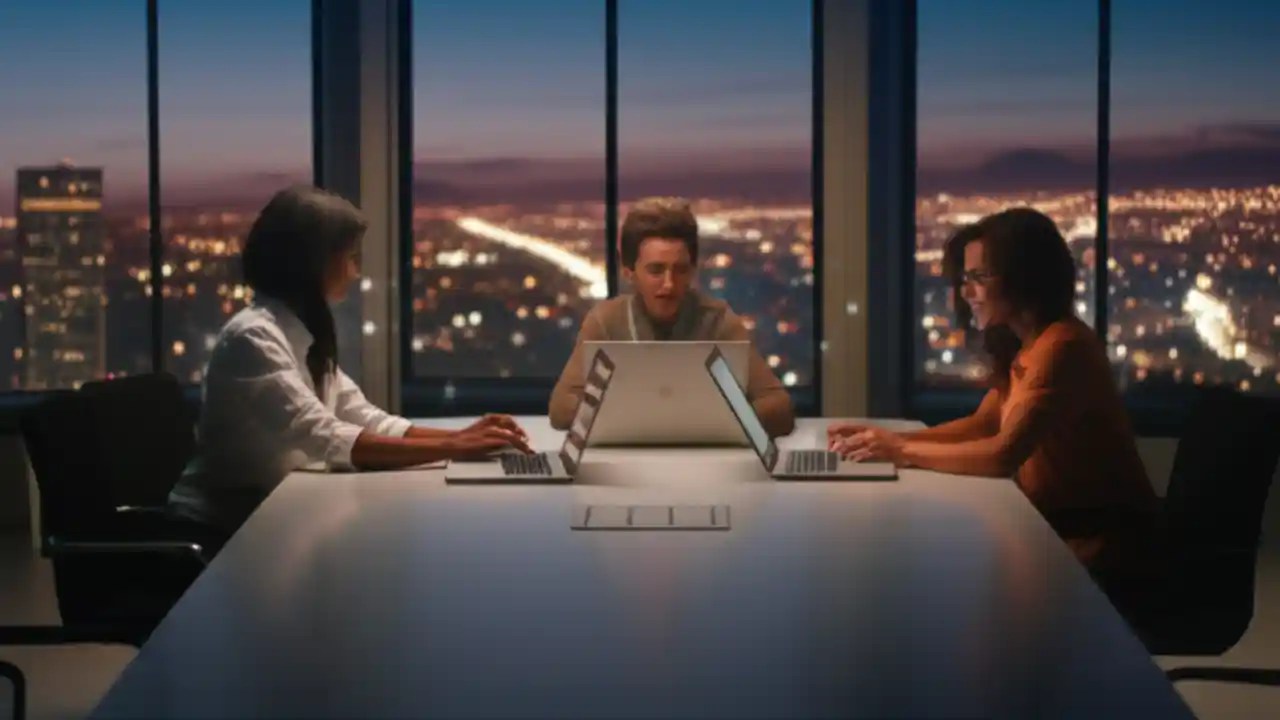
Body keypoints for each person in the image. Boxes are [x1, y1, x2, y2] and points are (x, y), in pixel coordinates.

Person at [168, 186, 531, 548]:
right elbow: (326, 435)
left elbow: (364, 418)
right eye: (351, 257)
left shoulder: (299, 331)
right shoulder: (253, 339)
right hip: (220, 532)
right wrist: (456, 447)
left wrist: (461, 437)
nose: (356, 272)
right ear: (313, 261)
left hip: (275, 514)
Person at [828, 208, 1159, 575]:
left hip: (1106, 549)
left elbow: (1002, 455)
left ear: (1024, 277)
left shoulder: (1063, 347)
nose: (966, 292)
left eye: (980, 277)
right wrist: (888, 440)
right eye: (964, 278)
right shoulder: (1030, 346)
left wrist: (900, 451)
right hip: (1060, 532)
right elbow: (984, 425)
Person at [548, 197, 795, 437]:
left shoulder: (718, 321)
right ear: (629, 273)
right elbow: (560, 409)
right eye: (656, 270)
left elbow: (780, 409)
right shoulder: (605, 321)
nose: (669, 285)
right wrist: (654, 418)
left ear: (693, 270)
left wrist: (703, 421)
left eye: (680, 270)